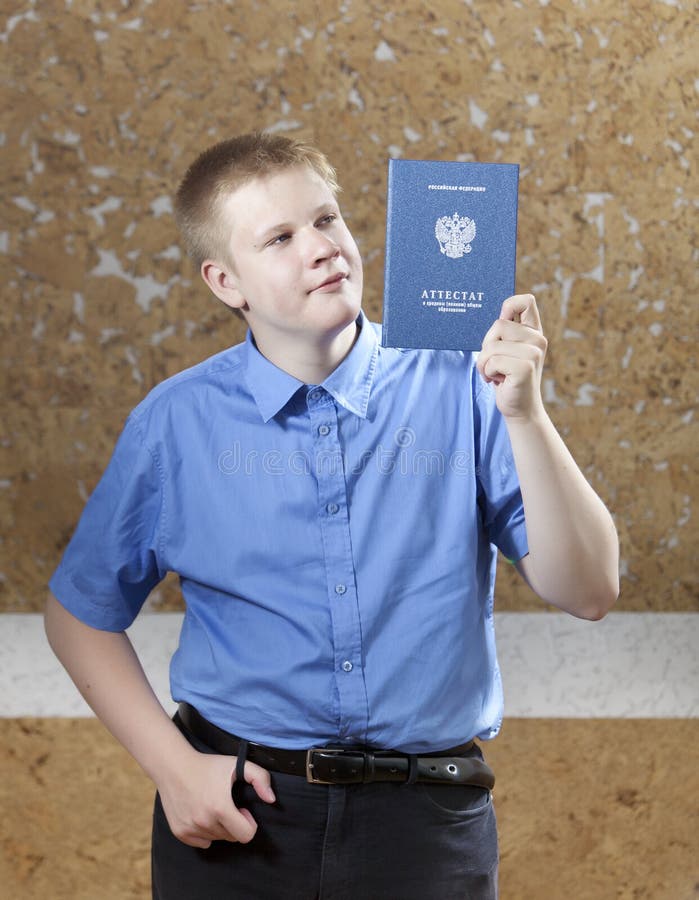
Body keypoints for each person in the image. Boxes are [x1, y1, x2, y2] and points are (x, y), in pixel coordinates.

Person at [45, 132, 619, 899]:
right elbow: (77, 613)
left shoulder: (463, 385)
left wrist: (524, 414)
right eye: (280, 237)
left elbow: (587, 592)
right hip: (239, 820)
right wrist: (173, 768)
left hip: (425, 826)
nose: (321, 248)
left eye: (327, 220)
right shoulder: (173, 425)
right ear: (225, 281)